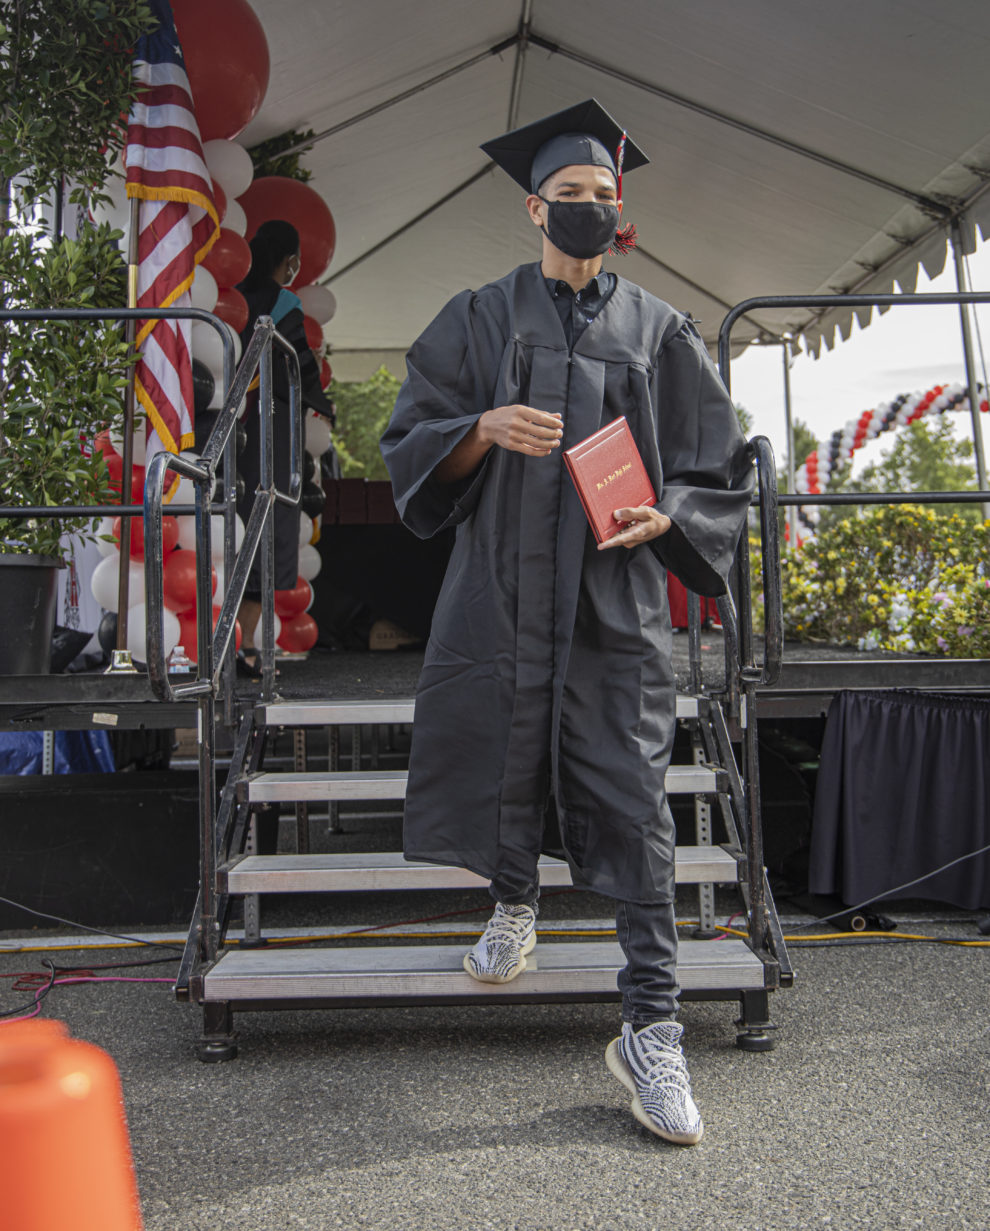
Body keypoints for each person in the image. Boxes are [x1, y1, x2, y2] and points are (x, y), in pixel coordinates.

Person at [380, 99, 753, 1145]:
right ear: (533, 206)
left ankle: (651, 1027)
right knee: (506, 750)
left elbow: (713, 467)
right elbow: (408, 438)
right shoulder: (481, 317)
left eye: (604, 198)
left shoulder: (659, 332)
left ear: (618, 213)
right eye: (570, 197)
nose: (587, 211)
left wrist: (666, 514)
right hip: (501, 589)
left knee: (632, 801)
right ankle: (513, 908)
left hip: (612, 604)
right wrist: (480, 429)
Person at [235, 219, 335, 667]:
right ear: (291, 261)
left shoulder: (232, 299)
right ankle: (251, 646)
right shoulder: (284, 305)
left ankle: (229, 642)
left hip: (227, 428)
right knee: (265, 526)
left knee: (231, 527)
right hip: (269, 431)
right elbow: (302, 375)